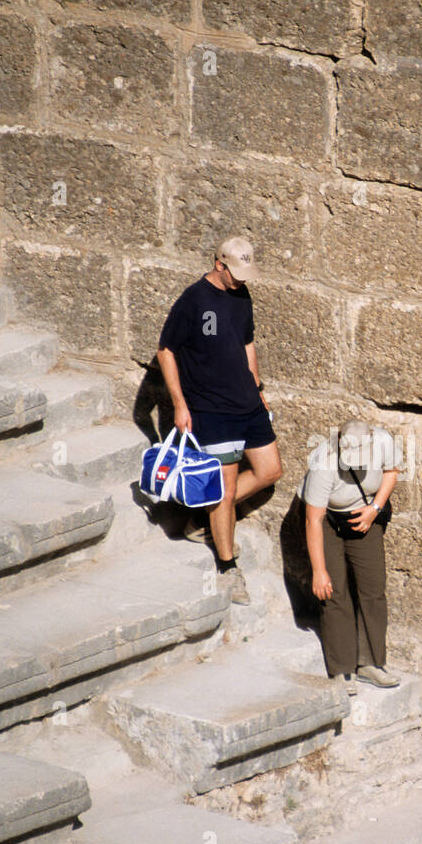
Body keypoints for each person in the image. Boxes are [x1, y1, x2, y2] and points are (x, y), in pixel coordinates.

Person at [156, 237, 282, 605]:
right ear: (219, 264)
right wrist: (179, 405)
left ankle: (202, 518)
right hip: (211, 411)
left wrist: (258, 387)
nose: (242, 280)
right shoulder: (194, 300)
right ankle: (228, 569)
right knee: (224, 493)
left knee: (270, 470)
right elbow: (166, 350)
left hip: (248, 404)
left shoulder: (242, 296)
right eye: (237, 273)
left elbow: (247, 344)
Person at [298, 419, 400, 694]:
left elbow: (391, 472)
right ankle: (342, 668)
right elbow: (313, 521)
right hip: (328, 520)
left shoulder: (382, 441)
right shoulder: (324, 462)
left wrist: (374, 509)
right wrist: (319, 572)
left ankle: (370, 663)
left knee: (373, 588)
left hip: (366, 514)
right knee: (333, 591)